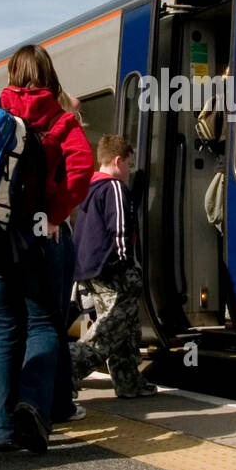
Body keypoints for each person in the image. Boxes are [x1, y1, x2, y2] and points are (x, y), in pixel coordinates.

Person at [0, 45, 92, 452]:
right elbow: (82, 168)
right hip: (38, 236)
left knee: (3, 330)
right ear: (48, 74)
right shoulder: (60, 118)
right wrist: (54, 214)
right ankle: (32, 408)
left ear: (12, 73)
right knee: (42, 324)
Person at [69, 135, 156, 397]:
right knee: (111, 325)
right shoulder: (114, 188)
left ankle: (128, 381)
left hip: (90, 269)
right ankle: (65, 368)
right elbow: (119, 229)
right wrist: (126, 262)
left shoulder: (88, 188)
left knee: (126, 326)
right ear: (117, 161)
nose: (129, 170)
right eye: (128, 164)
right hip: (112, 269)